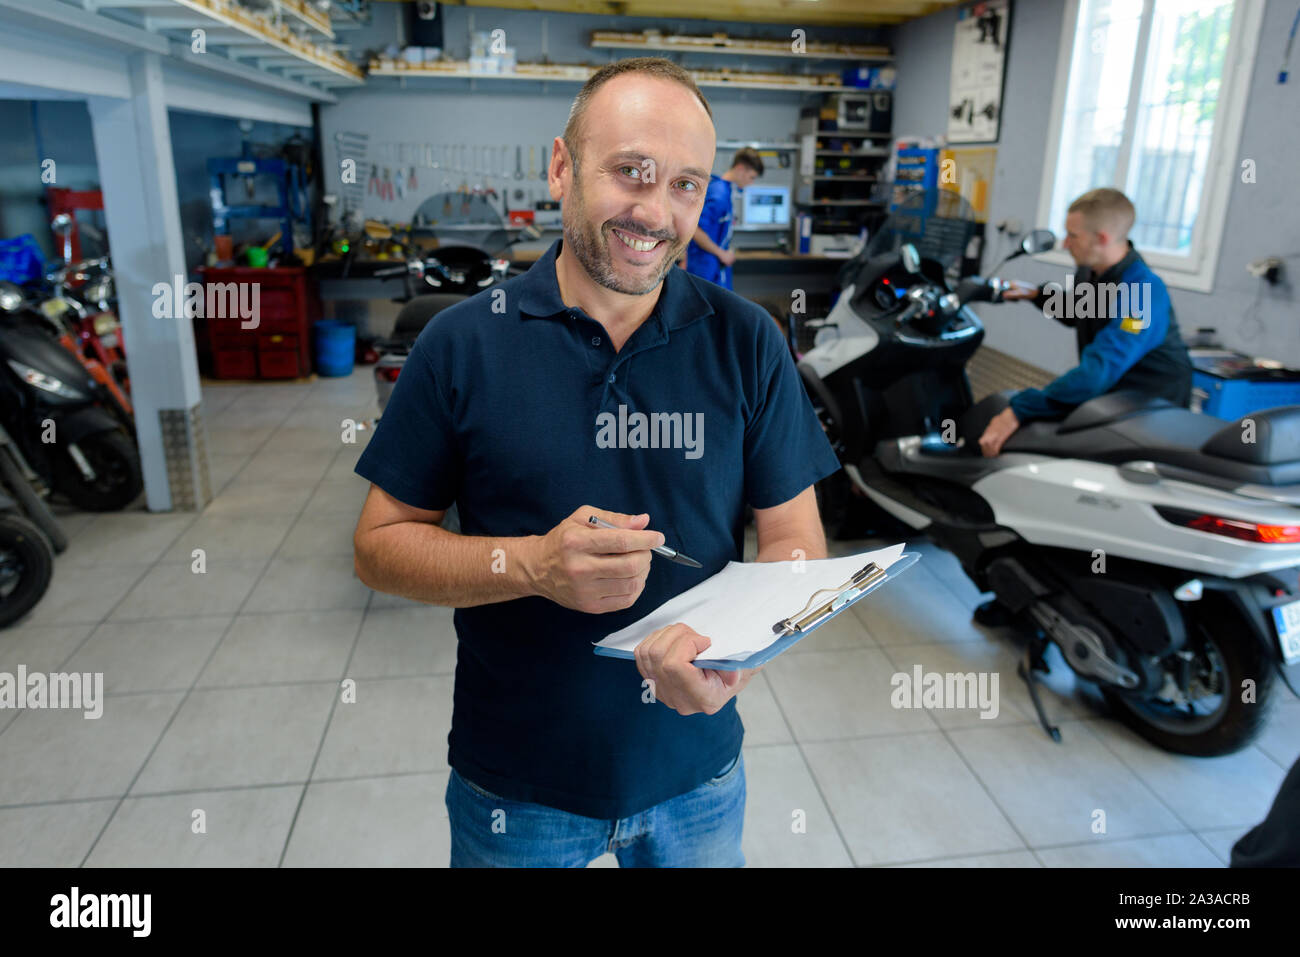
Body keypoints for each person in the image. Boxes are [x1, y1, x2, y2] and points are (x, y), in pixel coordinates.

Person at [351, 57, 839, 867]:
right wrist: (533, 565)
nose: (656, 212)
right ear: (560, 167)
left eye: (686, 184)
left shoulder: (748, 340)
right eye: (631, 173)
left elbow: (796, 543)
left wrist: (733, 649)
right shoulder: (462, 344)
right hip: (518, 785)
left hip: (697, 774)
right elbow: (379, 545)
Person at [978, 187, 1193, 457]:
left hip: (1151, 412)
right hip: (1111, 398)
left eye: (1072, 236)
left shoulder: (1142, 294)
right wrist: (1035, 294)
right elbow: (1080, 312)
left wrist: (1019, 409)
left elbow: (1099, 370)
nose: (1065, 244)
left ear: (1101, 238)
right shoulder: (1092, 271)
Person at [682, 147, 764, 290]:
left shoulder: (723, 189)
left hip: (709, 265)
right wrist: (722, 254)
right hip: (704, 268)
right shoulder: (719, 195)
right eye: (751, 177)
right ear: (740, 168)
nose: (751, 183)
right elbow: (696, 230)